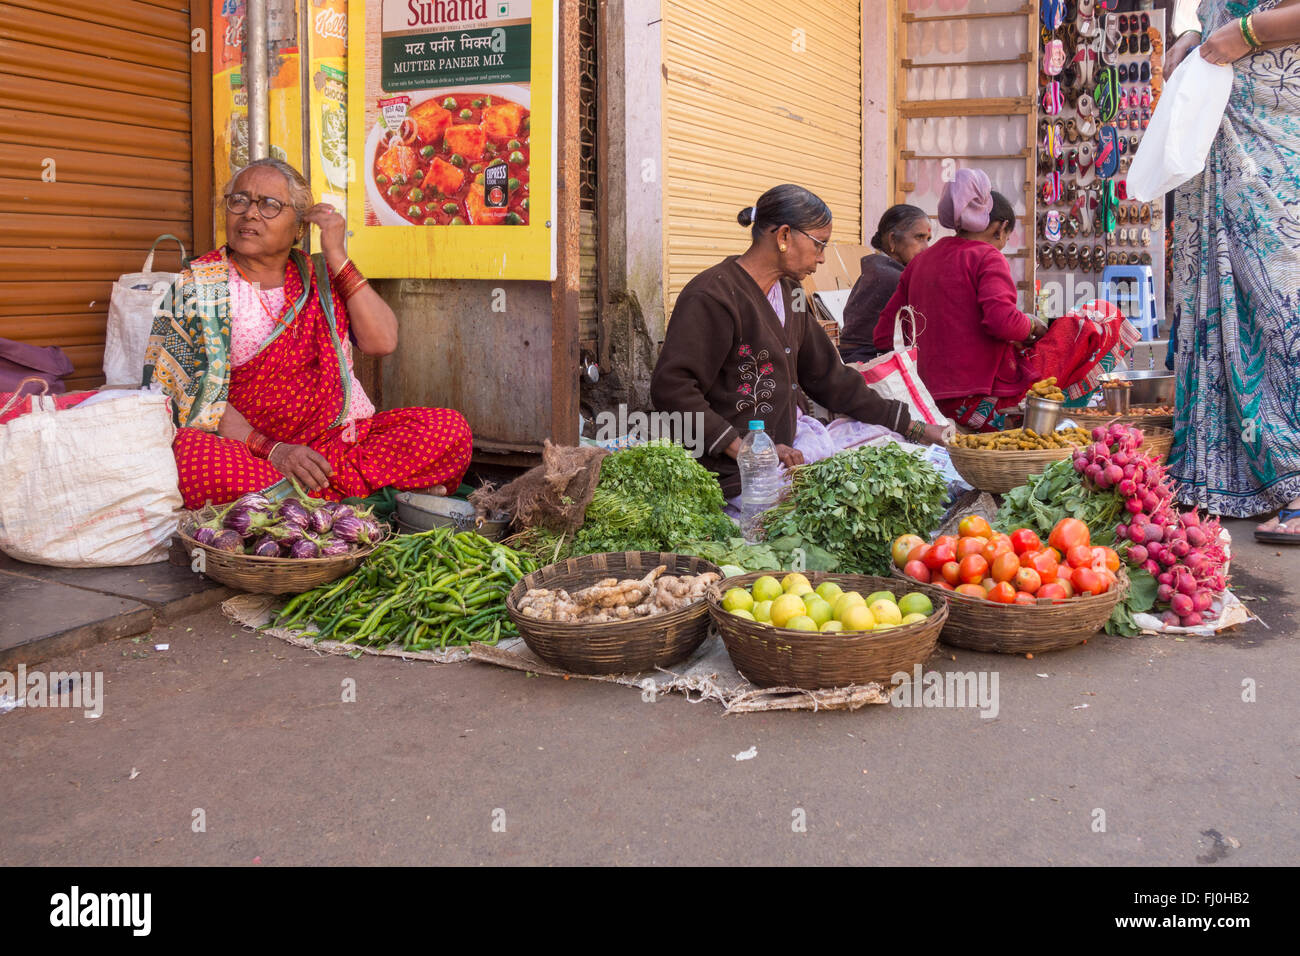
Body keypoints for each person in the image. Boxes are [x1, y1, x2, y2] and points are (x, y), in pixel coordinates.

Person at [144, 158, 472, 509]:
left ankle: (300, 504)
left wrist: (337, 255)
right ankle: (359, 500)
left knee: (448, 430)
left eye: (269, 204)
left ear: (299, 225)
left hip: (341, 441)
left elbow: (383, 341)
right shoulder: (198, 285)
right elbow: (193, 396)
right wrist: (276, 451)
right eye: (239, 200)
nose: (250, 214)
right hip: (257, 453)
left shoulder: (320, 278)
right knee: (194, 458)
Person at [651, 184, 951, 499]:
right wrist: (741, 449)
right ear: (783, 237)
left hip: (793, 445)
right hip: (734, 472)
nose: (822, 258)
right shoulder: (713, 296)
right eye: (819, 244)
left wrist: (914, 426)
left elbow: (831, 379)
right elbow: (672, 387)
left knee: (892, 454)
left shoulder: (790, 293)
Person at [1164, 0, 1300, 543]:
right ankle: (1230, 478)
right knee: (1222, 298)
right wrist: (1194, 33)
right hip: (1221, 112)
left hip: (1276, 118)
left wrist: (1245, 32)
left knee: (1280, 296)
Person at [875, 168, 1135, 431]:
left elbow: (884, 335)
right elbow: (1002, 322)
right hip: (984, 402)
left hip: (928, 399)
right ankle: (1052, 425)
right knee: (1100, 317)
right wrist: (1031, 325)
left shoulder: (920, 262)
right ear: (1000, 228)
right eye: (1006, 239)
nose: (1002, 245)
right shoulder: (986, 256)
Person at [838, 205, 931, 363]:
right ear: (893, 240)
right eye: (919, 237)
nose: (925, 247)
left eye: (927, 239)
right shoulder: (890, 276)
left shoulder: (879, 270)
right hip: (872, 366)